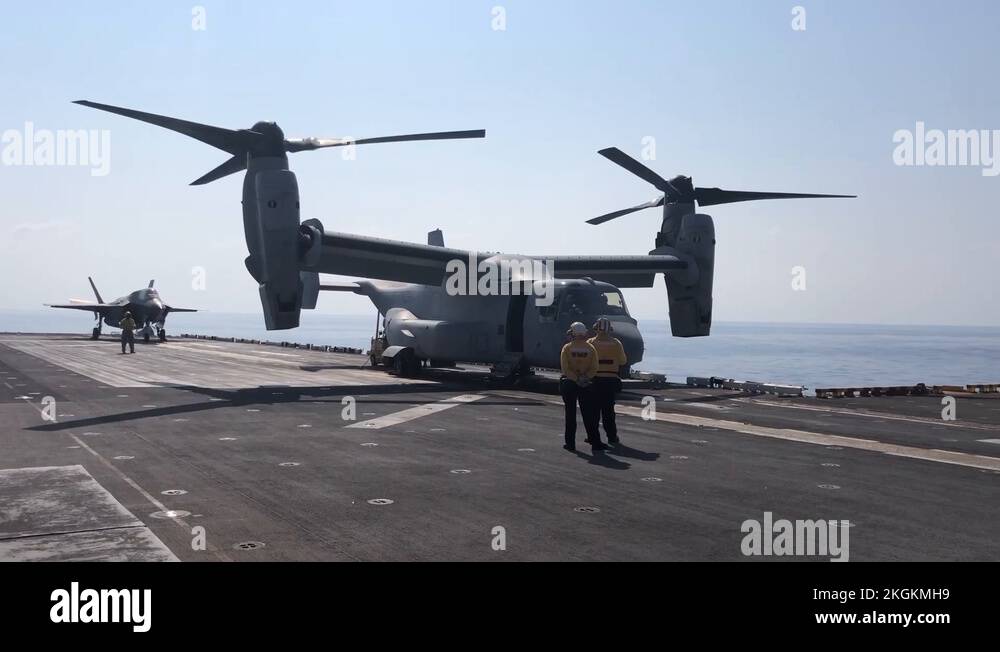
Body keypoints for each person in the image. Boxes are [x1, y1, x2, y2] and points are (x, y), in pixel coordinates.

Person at [559, 322, 606, 452]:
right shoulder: (591, 348)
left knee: (570, 414)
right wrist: (585, 378)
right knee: (589, 414)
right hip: (586, 384)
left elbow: (565, 368)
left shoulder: (567, 348)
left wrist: (576, 378)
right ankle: (595, 442)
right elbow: (595, 367)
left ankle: (570, 444)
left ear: (572, 333)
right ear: (584, 333)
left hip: (570, 384)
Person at [588, 318, 628, 445]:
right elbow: (623, 361)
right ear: (609, 329)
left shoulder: (591, 343)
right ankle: (612, 437)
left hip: (595, 380)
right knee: (608, 411)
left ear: (596, 328)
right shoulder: (616, 343)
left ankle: (593, 437)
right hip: (610, 380)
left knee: (593, 411)